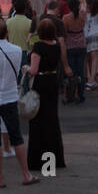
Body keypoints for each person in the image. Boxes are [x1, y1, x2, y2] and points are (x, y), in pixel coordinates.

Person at [0, 17, 37, 187]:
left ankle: (0, 178)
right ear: (7, 33)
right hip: (10, 97)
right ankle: (26, 174)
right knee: (16, 137)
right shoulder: (17, 50)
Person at [27, 17, 68, 173]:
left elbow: (34, 70)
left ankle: (38, 162)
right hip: (52, 82)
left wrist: (26, 69)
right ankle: (52, 163)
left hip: (41, 83)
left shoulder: (38, 47)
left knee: (38, 122)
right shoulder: (57, 46)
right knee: (51, 121)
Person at [61, 0, 86, 104]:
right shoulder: (82, 15)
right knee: (80, 71)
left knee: (70, 72)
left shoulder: (65, 18)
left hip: (70, 46)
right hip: (81, 44)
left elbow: (64, 32)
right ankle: (80, 95)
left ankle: (69, 95)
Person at [83, 0, 98, 87]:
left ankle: (91, 79)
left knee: (94, 56)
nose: (90, 5)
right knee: (88, 58)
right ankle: (92, 78)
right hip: (86, 35)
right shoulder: (83, 9)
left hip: (95, 34)